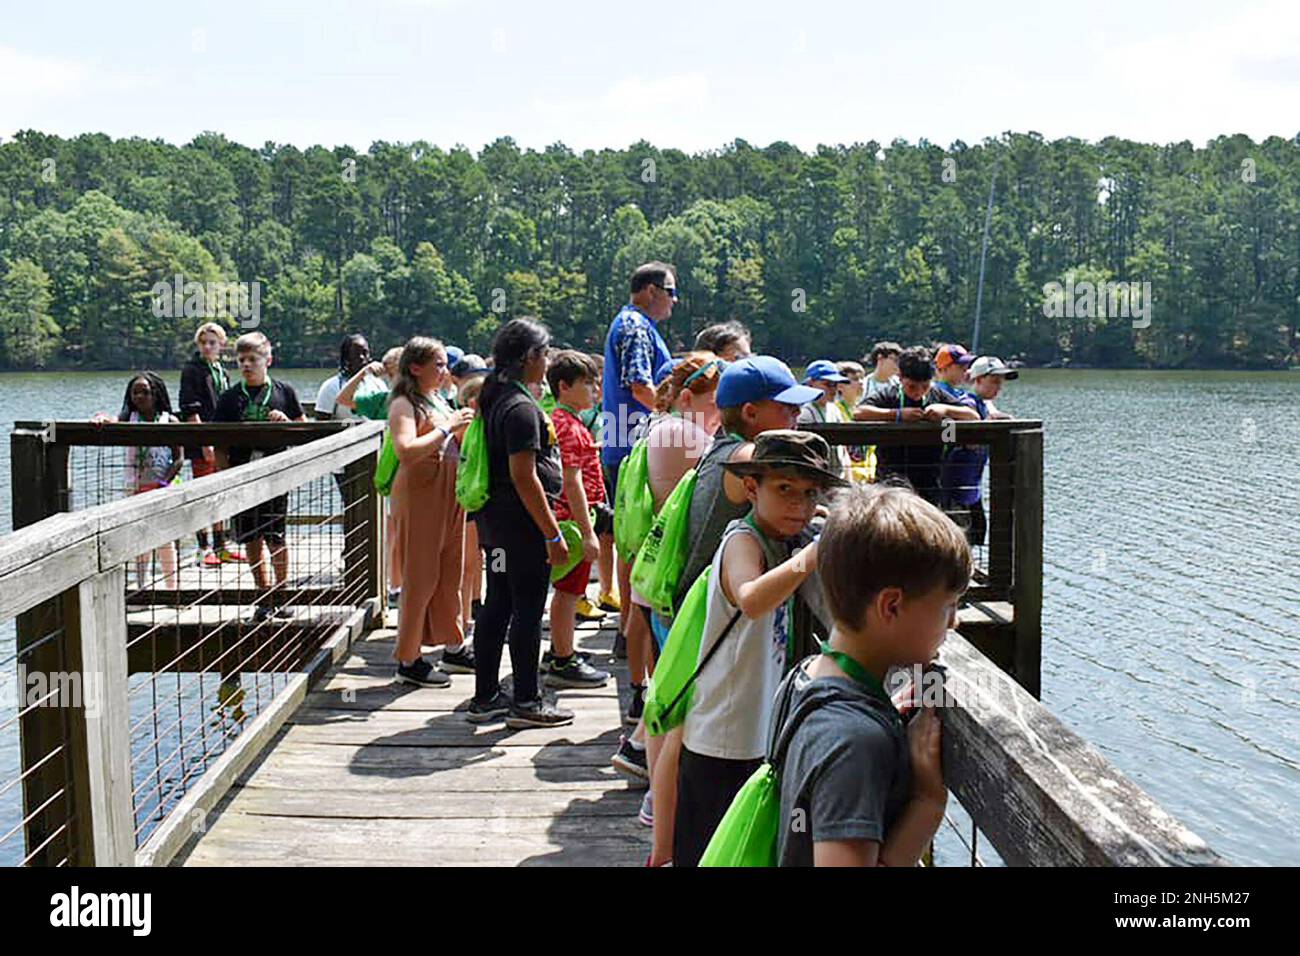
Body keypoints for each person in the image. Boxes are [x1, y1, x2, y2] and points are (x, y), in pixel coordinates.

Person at [673, 430, 847, 867]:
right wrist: (811, 553)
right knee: (706, 850)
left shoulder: (784, 537)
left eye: (809, 493)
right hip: (723, 734)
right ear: (751, 489)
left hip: (755, 732)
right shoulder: (742, 541)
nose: (798, 504)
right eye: (783, 489)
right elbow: (750, 598)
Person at [776, 484, 969, 866]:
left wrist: (883, 712)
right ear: (892, 606)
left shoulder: (804, 679)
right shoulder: (855, 742)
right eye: (947, 606)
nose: (955, 622)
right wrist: (927, 801)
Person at [611, 351, 723, 836]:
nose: (720, 410)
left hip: (654, 575)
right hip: (672, 577)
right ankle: (660, 801)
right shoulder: (683, 433)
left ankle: (637, 750)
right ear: (685, 397)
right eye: (714, 401)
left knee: (668, 683)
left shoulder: (657, 427)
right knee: (679, 691)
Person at [469, 318, 574, 728]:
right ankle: (528, 701)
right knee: (528, 611)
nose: (547, 363)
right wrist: (553, 533)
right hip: (523, 532)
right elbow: (524, 476)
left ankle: (486, 696)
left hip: (495, 531)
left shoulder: (494, 398)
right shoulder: (521, 409)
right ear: (531, 358)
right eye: (545, 355)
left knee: (497, 603)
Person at [602, 263, 676, 694]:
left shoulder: (634, 324)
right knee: (642, 543)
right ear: (649, 290)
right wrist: (679, 418)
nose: (674, 300)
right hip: (633, 446)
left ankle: (628, 636)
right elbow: (639, 385)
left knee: (632, 543)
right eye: (670, 291)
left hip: (624, 443)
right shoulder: (635, 325)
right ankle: (635, 640)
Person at [388, 337, 477, 688]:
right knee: (420, 577)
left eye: (445, 364)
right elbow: (406, 451)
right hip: (420, 496)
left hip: (449, 495)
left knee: (449, 573)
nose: (445, 371)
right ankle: (408, 658)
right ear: (415, 367)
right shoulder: (403, 404)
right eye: (438, 364)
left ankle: (453, 646)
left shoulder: (436, 399)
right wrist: (446, 427)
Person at [212, 332, 307, 622]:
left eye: (253, 359)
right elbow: (218, 444)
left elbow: (304, 430)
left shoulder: (284, 391)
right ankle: (263, 595)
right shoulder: (229, 398)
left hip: (276, 476)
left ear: (268, 360)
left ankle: (282, 593)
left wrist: (287, 423)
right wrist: (226, 477)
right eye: (241, 360)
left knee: (276, 535)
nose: (247, 365)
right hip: (242, 476)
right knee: (250, 538)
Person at [542, 350, 613, 689]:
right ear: (564, 386)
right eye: (588, 384)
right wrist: (588, 533)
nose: (595, 390)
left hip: (565, 519)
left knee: (566, 590)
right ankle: (563, 659)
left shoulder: (560, 420)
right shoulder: (570, 427)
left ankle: (559, 646)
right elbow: (571, 482)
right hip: (572, 521)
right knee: (569, 591)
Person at [852, 346, 979, 504]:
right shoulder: (890, 395)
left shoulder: (937, 395)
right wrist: (897, 414)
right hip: (891, 481)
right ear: (900, 377)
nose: (918, 392)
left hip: (930, 480)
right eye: (912, 387)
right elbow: (858, 413)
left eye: (925, 386)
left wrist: (946, 409)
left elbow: (973, 416)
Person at [92, 372, 184, 589]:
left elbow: (179, 459)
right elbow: (112, 421)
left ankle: (173, 589)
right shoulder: (128, 419)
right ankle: (142, 588)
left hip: (163, 487)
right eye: (135, 392)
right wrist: (102, 418)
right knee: (138, 539)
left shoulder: (169, 421)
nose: (139, 396)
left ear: (156, 394)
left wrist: (164, 484)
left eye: (145, 392)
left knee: (165, 540)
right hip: (135, 488)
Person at [179, 322, 241, 566]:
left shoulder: (221, 371)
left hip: (223, 441)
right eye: (203, 342)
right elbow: (190, 408)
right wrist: (205, 441)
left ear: (222, 345)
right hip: (203, 441)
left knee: (222, 493)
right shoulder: (192, 370)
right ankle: (204, 548)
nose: (207, 346)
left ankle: (222, 544)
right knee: (204, 493)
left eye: (212, 342)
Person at [941, 356, 1017, 547]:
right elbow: (946, 435)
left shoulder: (983, 405)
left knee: (974, 536)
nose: (999, 387)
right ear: (979, 380)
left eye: (1001, 383)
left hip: (971, 490)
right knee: (957, 541)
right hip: (955, 490)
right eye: (994, 381)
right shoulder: (965, 404)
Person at [458, 374, 487, 645]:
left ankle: (482, 604)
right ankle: (465, 618)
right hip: (470, 503)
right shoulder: (464, 424)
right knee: (468, 563)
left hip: (489, 505)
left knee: (493, 560)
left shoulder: (491, 423)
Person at [796, 359, 852, 480]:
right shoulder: (805, 413)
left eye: (835, 385)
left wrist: (849, 478)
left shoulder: (835, 409)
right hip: (818, 479)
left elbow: (843, 449)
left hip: (838, 478)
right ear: (811, 383)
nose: (833, 390)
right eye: (827, 384)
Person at [315, 334, 371, 420]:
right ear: (346, 357)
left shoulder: (378, 384)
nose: (361, 357)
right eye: (356, 353)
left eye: (365, 353)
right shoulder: (331, 387)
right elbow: (321, 424)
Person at [336, 346, 401, 419]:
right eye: (391, 375)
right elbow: (342, 399)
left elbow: (342, 399)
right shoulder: (381, 400)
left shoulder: (382, 400)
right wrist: (364, 372)